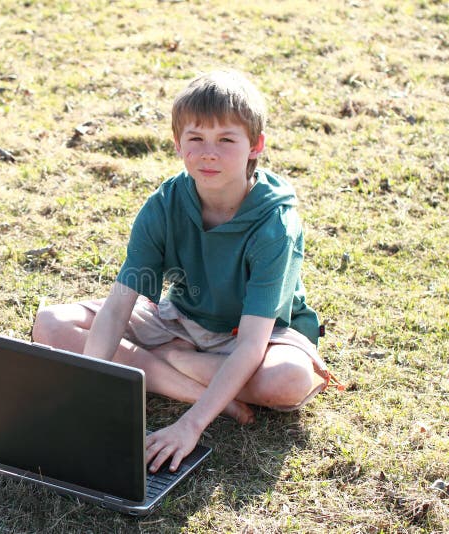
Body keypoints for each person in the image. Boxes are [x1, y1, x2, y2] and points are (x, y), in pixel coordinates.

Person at [32, 69, 339, 475]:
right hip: (179, 320)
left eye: (226, 140)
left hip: (252, 336)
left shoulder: (274, 224)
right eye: (196, 139)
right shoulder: (165, 204)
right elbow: (121, 303)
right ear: (178, 144)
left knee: (286, 381)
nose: (209, 153)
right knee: (51, 324)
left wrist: (190, 425)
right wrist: (89, 390)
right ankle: (182, 380)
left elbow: (251, 344)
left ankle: (167, 366)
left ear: (255, 145)